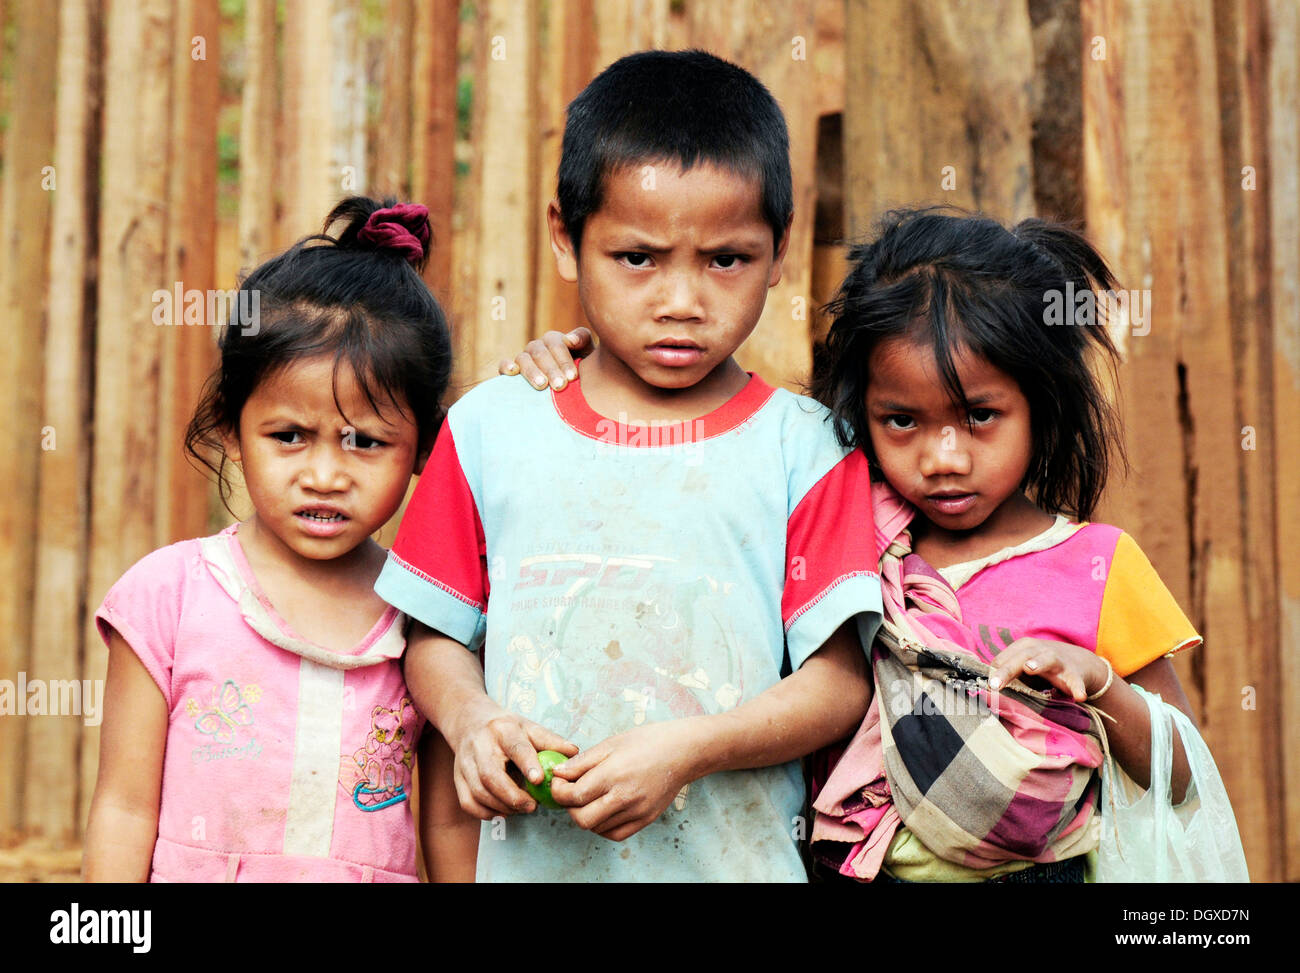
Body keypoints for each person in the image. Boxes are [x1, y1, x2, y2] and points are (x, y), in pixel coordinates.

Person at [512, 208, 1206, 883]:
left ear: (1042, 403)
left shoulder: (1099, 564)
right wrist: (590, 363)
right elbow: (707, 456)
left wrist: (1100, 683)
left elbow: (1183, 775)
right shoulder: (844, 528)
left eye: (981, 417)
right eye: (901, 420)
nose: (943, 456)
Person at [375, 50, 883, 882]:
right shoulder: (490, 428)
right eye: (637, 257)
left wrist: (690, 750)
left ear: (781, 249)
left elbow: (836, 681)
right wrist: (471, 721)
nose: (681, 300)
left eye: (727, 259)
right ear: (565, 239)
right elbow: (434, 632)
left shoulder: (807, 448)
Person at [83, 197, 478, 882]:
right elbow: (122, 807)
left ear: (422, 447)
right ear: (232, 430)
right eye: (289, 436)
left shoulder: (427, 616)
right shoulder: (168, 598)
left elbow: (447, 822)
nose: (324, 475)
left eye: (366, 441)